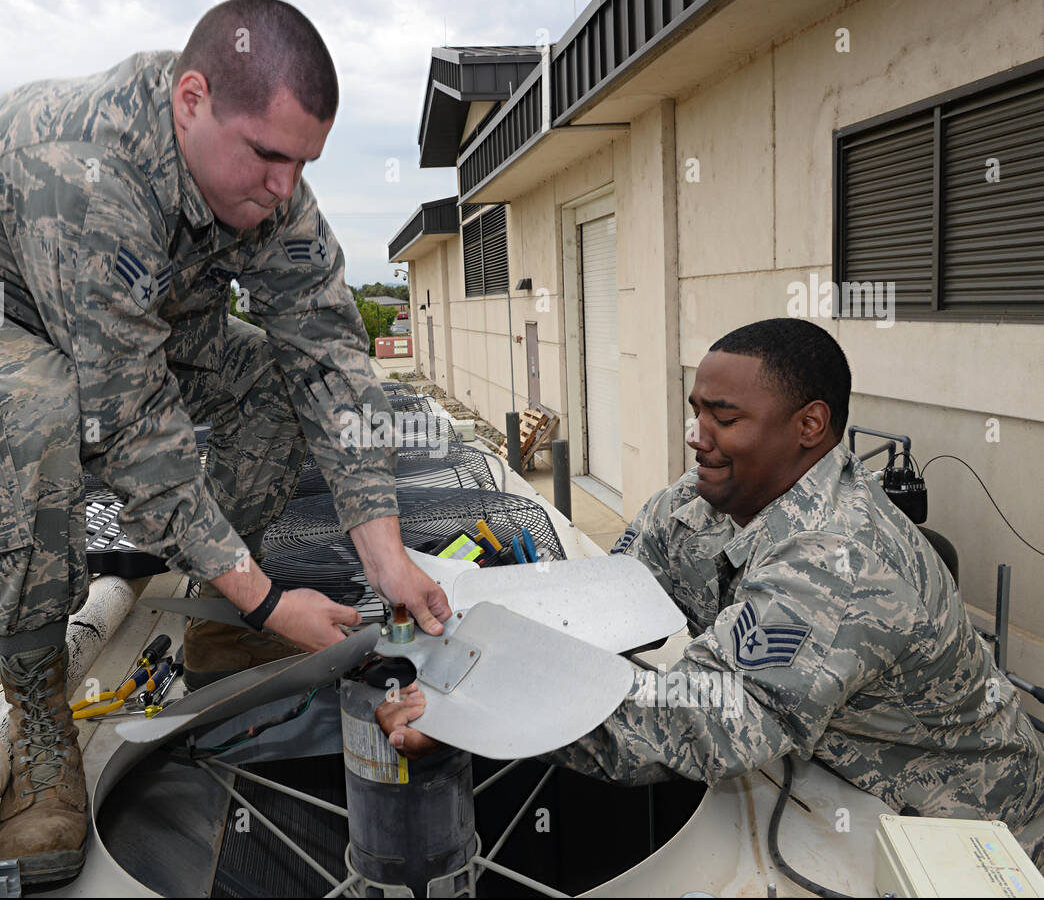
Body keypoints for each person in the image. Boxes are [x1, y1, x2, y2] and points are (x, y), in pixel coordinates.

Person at [0, 0, 450, 885]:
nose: (285, 188)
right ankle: (37, 731)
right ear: (192, 100)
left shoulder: (266, 181)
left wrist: (384, 550)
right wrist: (272, 602)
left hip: (69, 309)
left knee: (266, 374)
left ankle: (217, 630)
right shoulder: (86, 179)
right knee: (32, 405)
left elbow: (330, 357)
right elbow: (134, 426)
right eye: (267, 155)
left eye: (304, 162)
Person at [377, 318, 1044, 867]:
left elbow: (697, 721)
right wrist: (474, 625)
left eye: (723, 417)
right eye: (697, 411)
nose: (697, 435)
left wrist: (482, 716)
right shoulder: (708, 500)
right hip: (822, 780)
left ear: (809, 426)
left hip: (955, 834)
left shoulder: (839, 563)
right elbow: (609, 591)